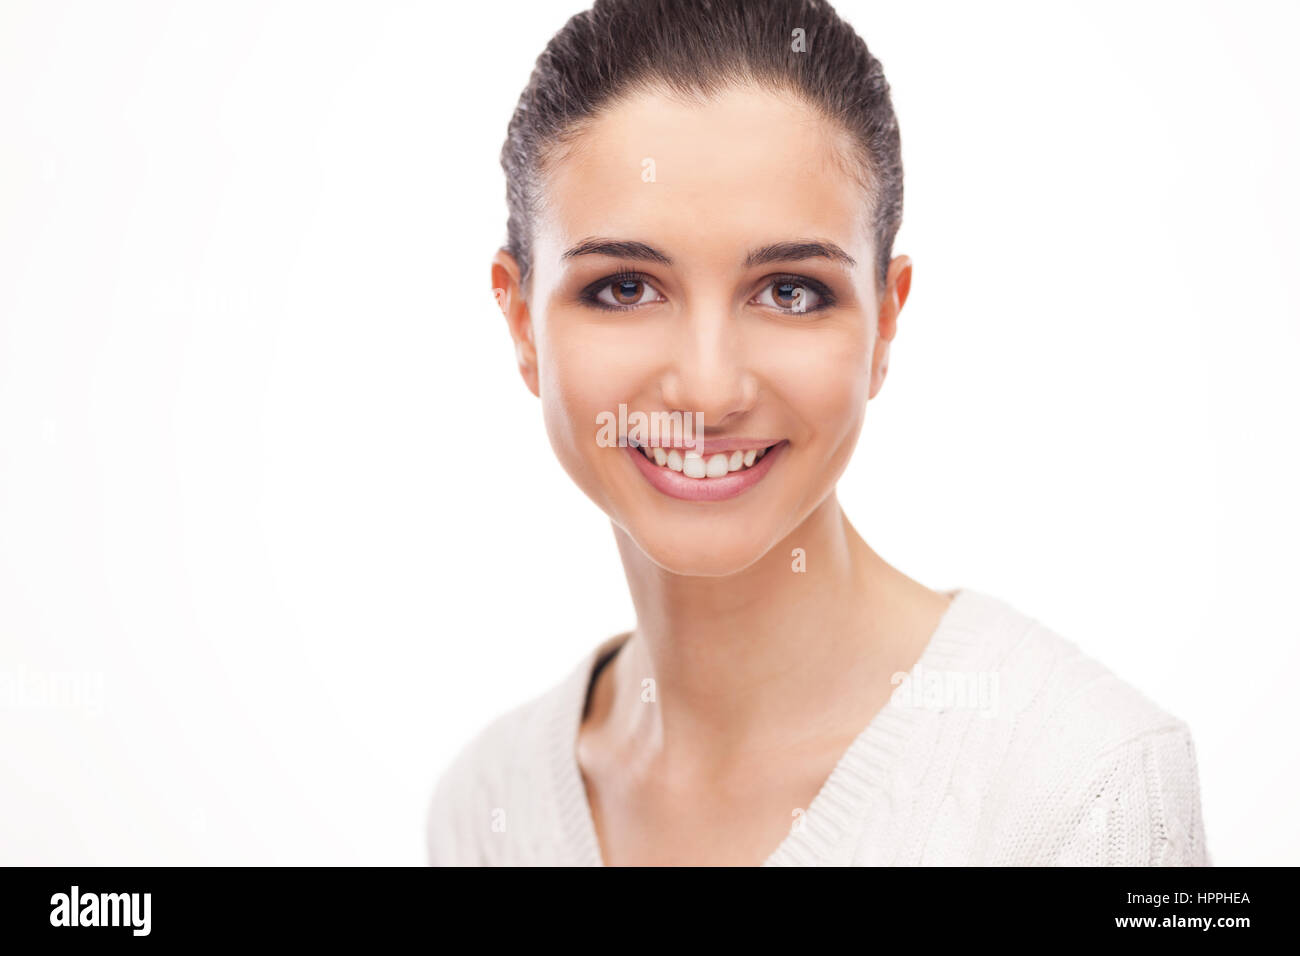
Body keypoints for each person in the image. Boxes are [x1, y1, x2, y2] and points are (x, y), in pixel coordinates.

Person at [426, 0, 1210, 866]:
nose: (710, 387)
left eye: (790, 291)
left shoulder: (1086, 786)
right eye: (625, 288)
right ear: (522, 324)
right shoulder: (487, 806)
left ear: (885, 324)